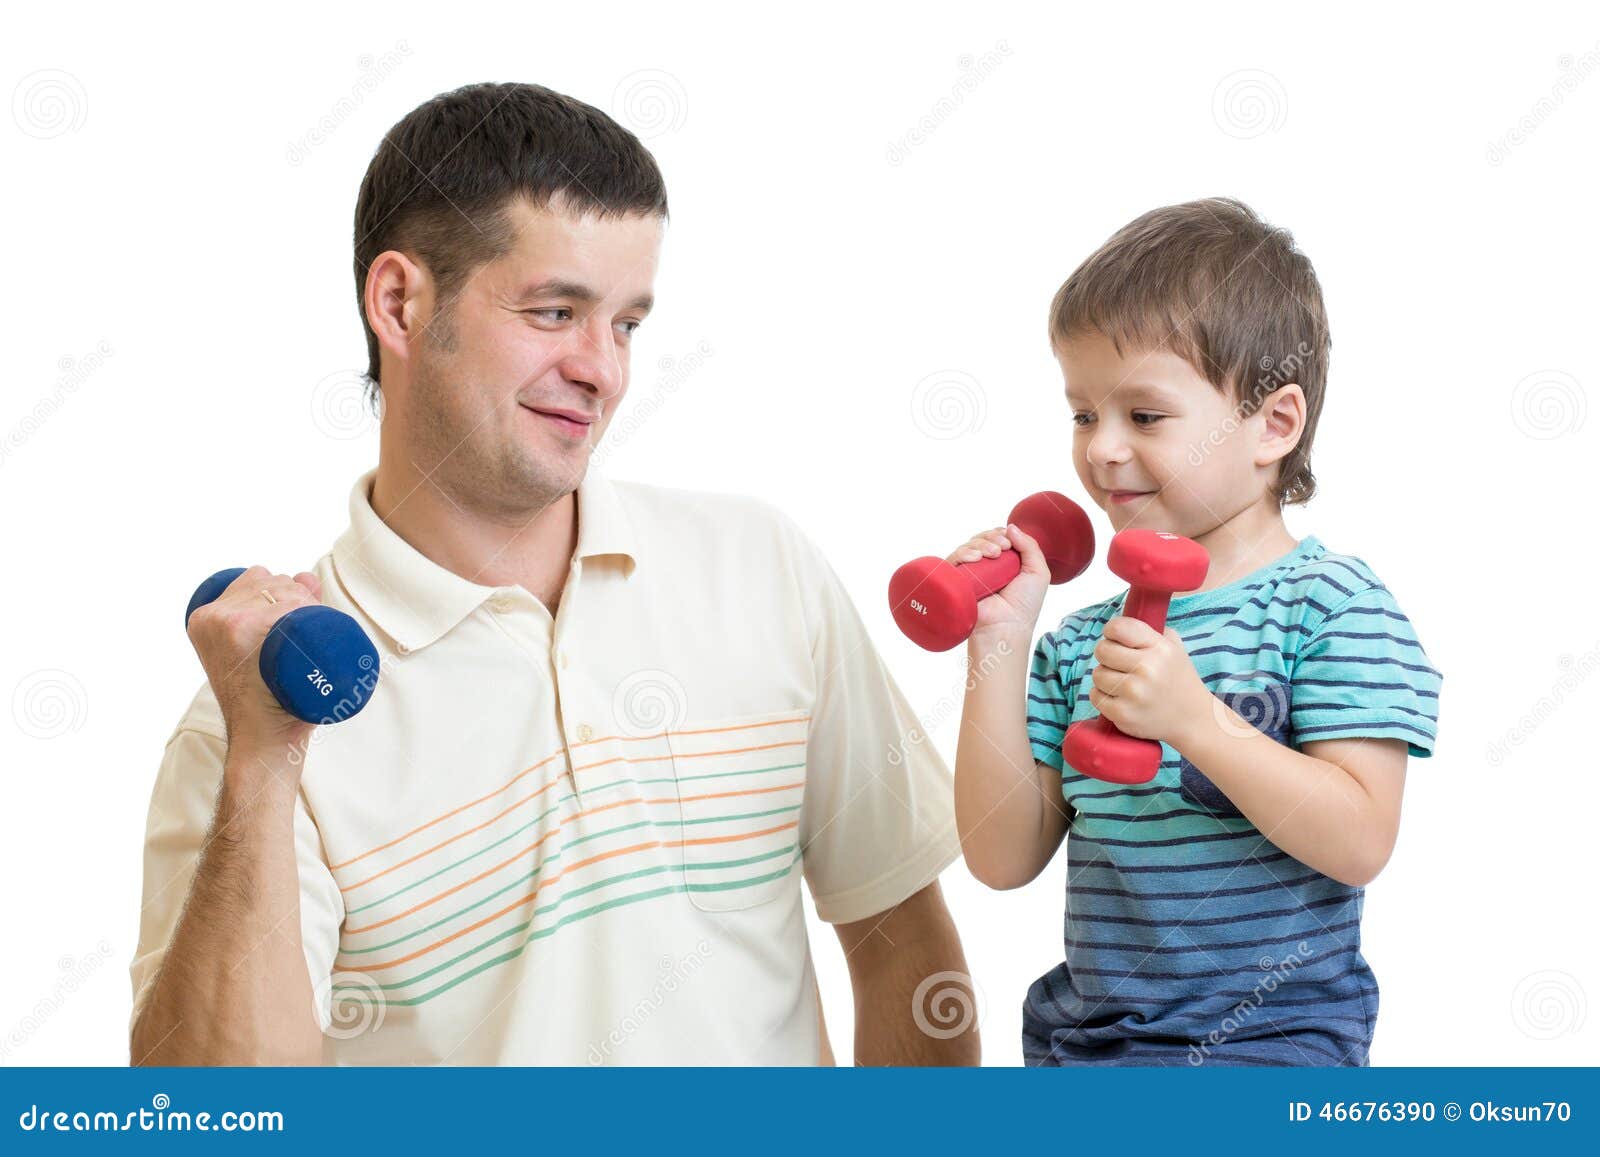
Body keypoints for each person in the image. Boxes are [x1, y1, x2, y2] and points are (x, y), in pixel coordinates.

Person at [130, 82, 974, 1066]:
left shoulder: (762, 567)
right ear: (400, 304)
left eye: (626, 324)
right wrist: (265, 765)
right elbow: (223, 1114)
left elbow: (903, 948)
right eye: (556, 311)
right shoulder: (257, 721)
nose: (602, 370)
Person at [950, 198, 1442, 1065]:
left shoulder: (1331, 606)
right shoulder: (1080, 643)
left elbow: (1361, 838)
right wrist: (997, 643)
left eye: (1143, 416)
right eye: (1082, 413)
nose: (1101, 448)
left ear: (1273, 425)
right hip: (1088, 1050)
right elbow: (1000, 856)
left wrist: (1194, 720)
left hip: (1272, 1049)